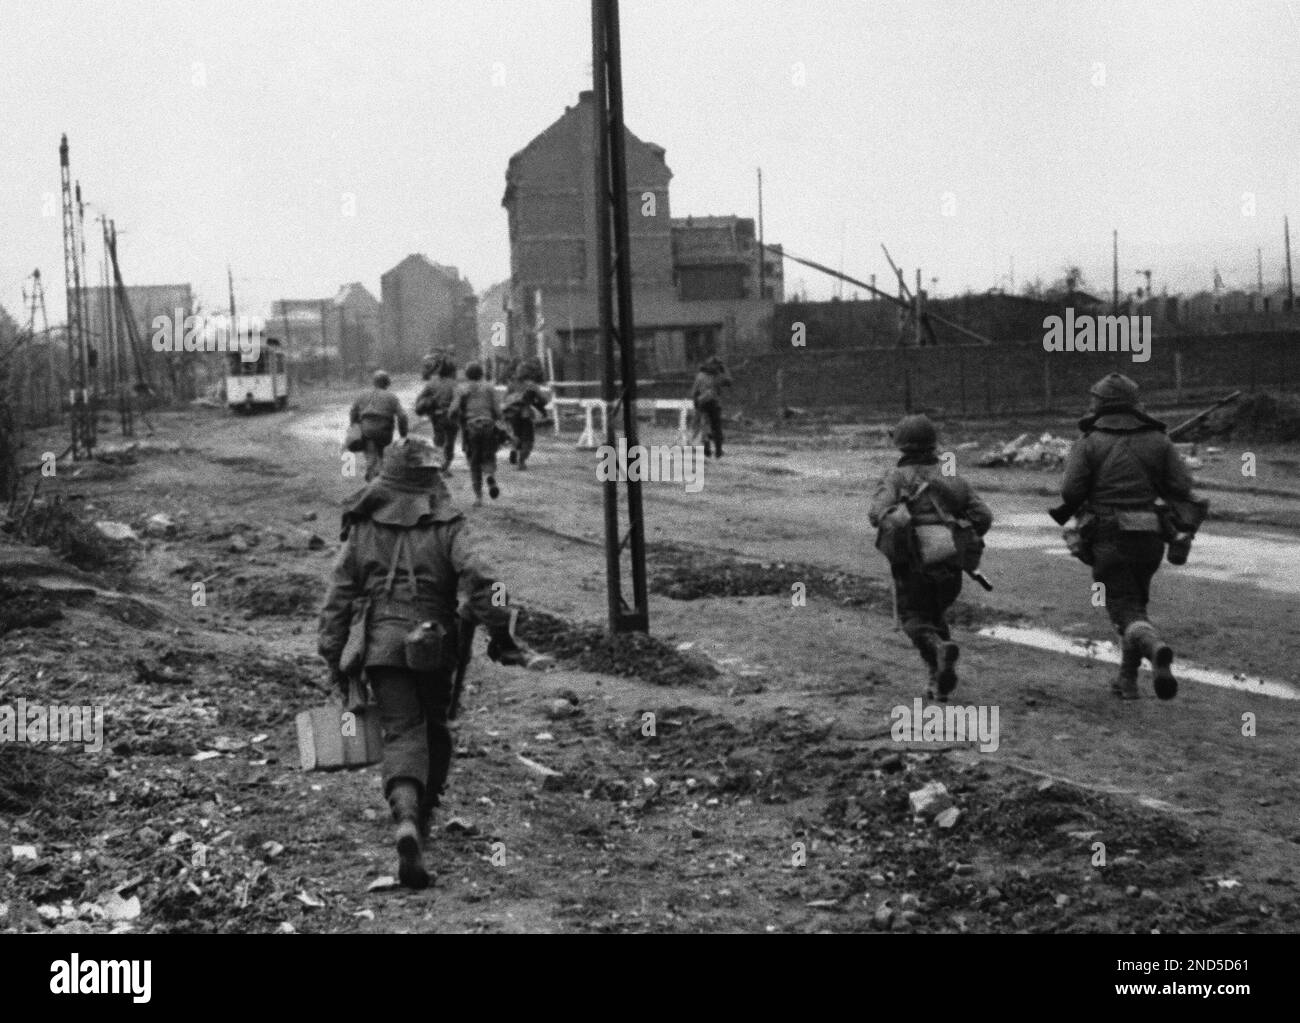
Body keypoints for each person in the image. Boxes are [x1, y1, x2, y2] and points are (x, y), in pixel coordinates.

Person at [317, 436, 550, 889]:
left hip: (381, 649)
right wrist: (504, 634)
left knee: (402, 730)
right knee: (436, 726)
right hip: (435, 646)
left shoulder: (363, 529)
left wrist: (333, 654)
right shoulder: (449, 526)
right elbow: (484, 580)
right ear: (430, 482)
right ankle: (422, 820)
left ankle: (405, 817)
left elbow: (337, 597)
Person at [1060, 373, 1202, 700]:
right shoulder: (1159, 439)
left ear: (1100, 404)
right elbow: (1181, 487)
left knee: (1124, 608)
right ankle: (1127, 681)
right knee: (1135, 605)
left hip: (1109, 534)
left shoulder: (1089, 441)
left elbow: (1070, 492)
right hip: (1151, 533)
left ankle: (1155, 649)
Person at [868, 414, 993, 702]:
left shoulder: (896, 477)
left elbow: (876, 514)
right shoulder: (950, 475)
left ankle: (938, 649)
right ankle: (938, 680)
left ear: (902, 447)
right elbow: (983, 516)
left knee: (913, 618)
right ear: (932, 444)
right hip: (950, 563)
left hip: (913, 563)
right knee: (934, 615)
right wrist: (960, 535)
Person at [455, 362, 505, 506]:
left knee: (474, 461)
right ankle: (490, 476)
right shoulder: (489, 388)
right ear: (481, 373)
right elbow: (498, 410)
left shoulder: (462, 390)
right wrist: (499, 421)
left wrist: (457, 421)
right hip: (488, 425)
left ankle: (478, 497)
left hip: (471, 428)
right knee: (488, 456)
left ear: (467, 375)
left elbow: (453, 410)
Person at [350, 370, 408, 481]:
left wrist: (354, 427)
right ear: (387, 383)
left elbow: (353, 412)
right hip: (384, 432)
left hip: (367, 431)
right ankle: (379, 476)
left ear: (374, 382)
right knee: (382, 456)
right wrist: (403, 435)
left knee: (371, 455)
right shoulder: (392, 397)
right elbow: (402, 416)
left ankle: (372, 474)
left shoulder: (362, 395)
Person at [414, 357, 460, 474]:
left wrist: (426, 407)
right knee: (450, 442)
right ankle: (446, 466)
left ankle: (439, 465)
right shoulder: (453, 384)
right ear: (451, 371)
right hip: (451, 418)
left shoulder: (431, 384)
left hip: (437, 416)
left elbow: (419, 398)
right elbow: (456, 400)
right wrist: (451, 411)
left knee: (439, 441)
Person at [502, 359, 549, 470]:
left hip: (513, 414)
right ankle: (521, 461)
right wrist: (538, 404)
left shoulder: (511, 385)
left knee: (516, 434)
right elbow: (544, 400)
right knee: (528, 440)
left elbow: (505, 399)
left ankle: (514, 449)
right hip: (525, 414)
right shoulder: (531, 385)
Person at [691, 356, 731, 458]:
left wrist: (696, 402)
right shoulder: (718, 376)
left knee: (705, 426)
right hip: (714, 403)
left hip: (702, 403)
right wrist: (724, 369)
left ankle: (707, 449)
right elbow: (729, 382)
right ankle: (718, 451)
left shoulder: (700, 375)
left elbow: (694, 392)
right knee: (716, 427)